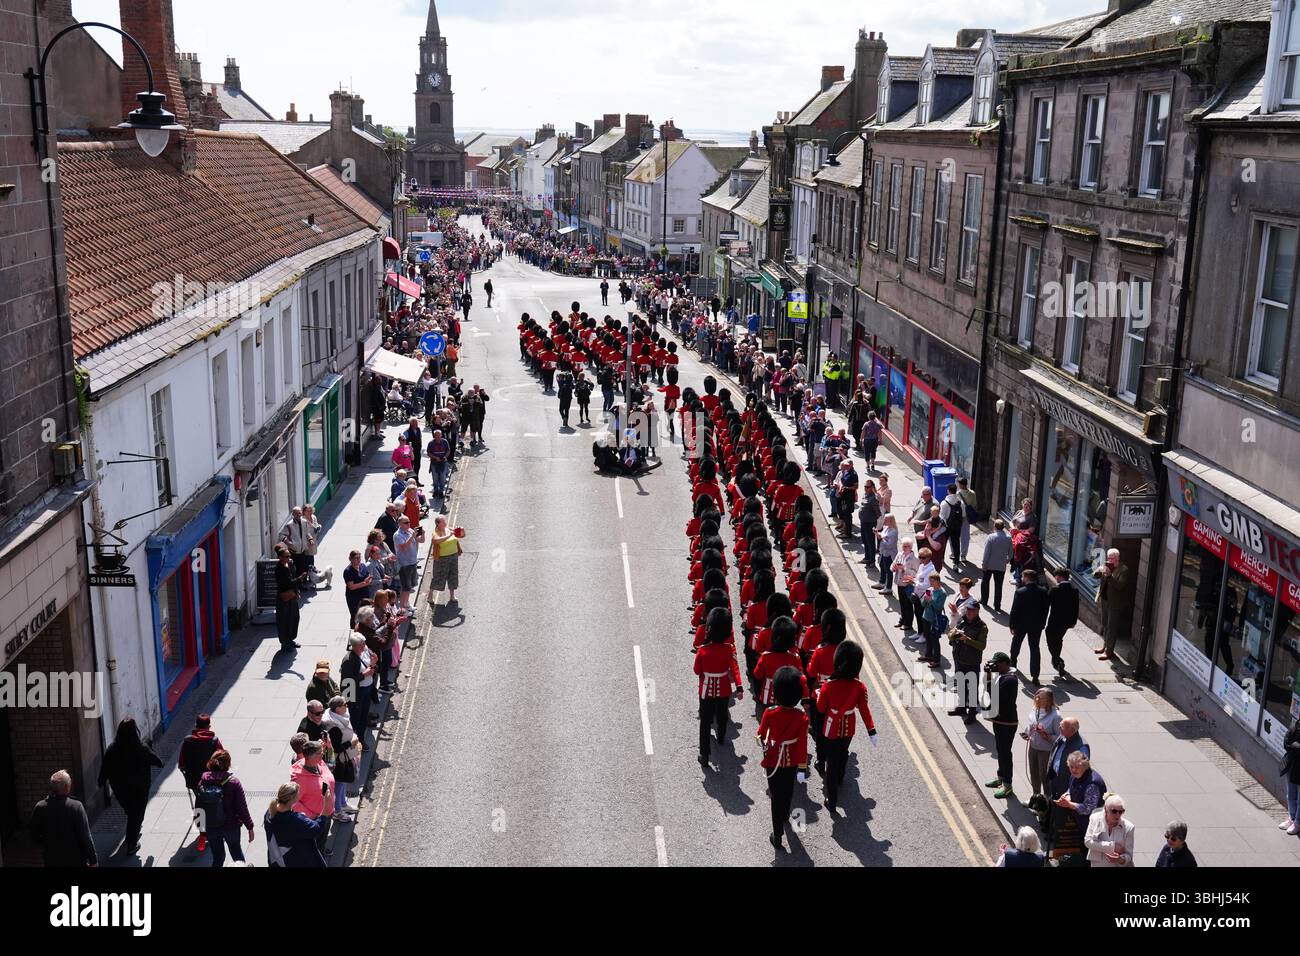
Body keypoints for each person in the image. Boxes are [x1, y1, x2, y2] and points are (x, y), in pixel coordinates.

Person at [814, 641, 877, 813]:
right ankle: (840, 777)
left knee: (831, 764)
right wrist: (871, 730)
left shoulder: (828, 685)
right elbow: (864, 710)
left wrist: (819, 694)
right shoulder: (859, 687)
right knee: (843, 752)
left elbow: (820, 708)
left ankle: (831, 800)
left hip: (831, 728)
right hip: (848, 727)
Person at [756, 666, 810, 851]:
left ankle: (777, 835)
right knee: (787, 792)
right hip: (791, 762)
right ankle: (785, 814)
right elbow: (802, 744)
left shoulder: (770, 712)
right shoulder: (802, 717)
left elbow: (761, 735)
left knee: (775, 797)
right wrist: (802, 767)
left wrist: (765, 746)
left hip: (772, 761)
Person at [97, 716, 163, 856]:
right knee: (137, 815)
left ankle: (132, 832)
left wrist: (101, 781)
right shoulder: (141, 748)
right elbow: (156, 761)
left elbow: (105, 769)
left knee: (131, 811)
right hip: (140, 789)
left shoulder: (112, 749)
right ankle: (131, 844)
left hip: (121, 790)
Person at [694, 607, 743, 768]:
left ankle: (705, 755)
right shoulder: (728, 649)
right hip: (723, 688)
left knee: (705, 723)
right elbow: (734, 668)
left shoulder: (702, 650)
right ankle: (721, 736)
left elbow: (697, 671)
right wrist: (740, 686)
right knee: (722, 716)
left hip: (706, 690)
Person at [196, 750, 255, 867]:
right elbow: (242, 807)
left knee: (217, 858)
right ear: (228, 764)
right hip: (231, 826)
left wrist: (202, 830)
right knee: (237, 854)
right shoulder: (234, 783)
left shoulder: (203, 782)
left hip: (211, 826)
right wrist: (250, 827)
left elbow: (199, 807)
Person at [30, 770, 97, 867]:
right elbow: (85, 836)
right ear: (66, 787)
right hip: (75, 858)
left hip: (51, 857)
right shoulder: (76, 806)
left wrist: (47, 843)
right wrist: (93, 860)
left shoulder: (40, 807)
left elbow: (34, 834)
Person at [264, 782, 325, 868]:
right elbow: (316, 829)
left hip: (276, 859)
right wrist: (325, 812)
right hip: (292, 860)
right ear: (293, 799)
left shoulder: (270, 812)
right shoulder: (294, 820)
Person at [290, 739, 335, 855]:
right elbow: (294, 804)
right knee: (315, 842)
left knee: (323, 836)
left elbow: (331, 764)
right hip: (316, 818)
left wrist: (328, 744)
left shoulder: (318, 763)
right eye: (319, 753)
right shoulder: (299, 779)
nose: (322, 754)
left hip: (327, 811)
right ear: (309, 757)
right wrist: (313, 815)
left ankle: (322, 849)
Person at [946, 601, 987, 724]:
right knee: (962, 686)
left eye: (972, 610)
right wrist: (952, 634)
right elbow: (950, 633)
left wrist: (967, 640)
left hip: (972, 662)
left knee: (972, 689)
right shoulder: (962, 621)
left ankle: (972, 714)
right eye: (968, 610)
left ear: (977, 611)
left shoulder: (982, 627)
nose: (969, 612)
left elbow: (982, 646)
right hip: (959, 659)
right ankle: (962, 708)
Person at [1009, 569, 1050, 685]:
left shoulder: (1020, 592)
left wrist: (1012, 625)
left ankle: (1013, 664)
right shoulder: (1043, 591)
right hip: (1036, 626)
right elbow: (1045, 610)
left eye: (1023, 577)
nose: (1022, 579)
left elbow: (1014, 610)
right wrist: (1042, 623)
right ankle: (1035, 675)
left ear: (1026, 578)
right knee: (1035, 649)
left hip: (1021, 625)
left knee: (1016, 644)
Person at [986, 652, 1018, 799]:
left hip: (1007, 722)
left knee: (1005, 752)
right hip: (999, 720)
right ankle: (1000, 777)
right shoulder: (1001, 676)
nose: (995, 666)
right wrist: (988, 677)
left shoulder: (1010, 680)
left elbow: (995, 696)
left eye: (997, 663)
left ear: (1005, 663)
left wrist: (990, 679)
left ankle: (1007, 785)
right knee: (1000, 749)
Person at [1022, 687, 1062, 801]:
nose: (1038, 699)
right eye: (1036, 696)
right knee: (1034, 773)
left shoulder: (1056, 716)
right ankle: (1035, 798)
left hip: (1046, 750)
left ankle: (1047, 800)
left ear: (1049, 700)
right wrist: (1026, 733)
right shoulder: (1035, 709)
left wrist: (1047, 736)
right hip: (1033, 747)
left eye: (1041, 697)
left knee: (1044, 776)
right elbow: (1030, 724)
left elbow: (1060, 738)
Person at [1096, 548, 1132, 661]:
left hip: (1116, 603)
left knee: (1112, 627)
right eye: (1108, 558)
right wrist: (1099, 571)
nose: (1109, 560)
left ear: (1117, 558)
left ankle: (1109, 651)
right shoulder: (1106, 565)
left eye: (1112, 558)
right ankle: (1105, 646)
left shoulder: (1123, 570)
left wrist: (1110, 575)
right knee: (1105, 624)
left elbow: (1120, 585)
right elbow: (1095, 576)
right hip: (1105, 600)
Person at [1044, 566, 1079, 679]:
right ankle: (1057, 661)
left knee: (1050, 638)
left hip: (1054, 620)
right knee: (1058, 639)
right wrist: (1073, 622)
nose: (1055, 578)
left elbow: (1046, 604)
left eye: (1056, 576)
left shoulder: (1054, 590)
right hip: (1066, 622)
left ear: (1059, 577)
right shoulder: (1074, 590)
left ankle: (1057, 661)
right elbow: (1076, 608)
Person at [1085, 794, 1135, 867]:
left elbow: (1129, 856)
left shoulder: (1129, 827)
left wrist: (1119, 859)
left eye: (1121, 811)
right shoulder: (1095, 819)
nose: (1118, 815)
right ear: (1105, 810)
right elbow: (1088, 841)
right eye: (1114, 811)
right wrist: (1112, 846)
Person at [178, 714, 223, 794]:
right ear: (209, 726)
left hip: (193, 780)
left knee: (199, 797)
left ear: (196, 726)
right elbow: (223, 758)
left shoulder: (187, 740)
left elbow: (181, 763)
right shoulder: (214, 741)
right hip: (211, 779)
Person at [273, 543, 302, 651]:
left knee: (294, 618)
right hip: (284, 598)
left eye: (289, 556)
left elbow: (292, 579)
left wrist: (296, 591)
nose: (289, 558)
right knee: (284, 620)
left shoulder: (289, 565)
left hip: (292, 596)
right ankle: (285, 643)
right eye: (286, 556)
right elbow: (288, 583)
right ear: (279, 557)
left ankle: (291, 640)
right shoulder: (279, 569)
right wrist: (301, 578)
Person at [393, 515, 425, 611]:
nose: (409, 524)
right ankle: (403, 609)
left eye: (409, 522)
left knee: (410, 586)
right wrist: (412, 536)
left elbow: (422, 541)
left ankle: (407, 604)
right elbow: (404, 547)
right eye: (406, 523)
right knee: (405, 588)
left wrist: (422, 534)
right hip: (404, 564)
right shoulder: (397, 535)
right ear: (400, 524)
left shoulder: (410, 531)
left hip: (413, 562)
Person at [979, 519, 1011, 612]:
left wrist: (984, 564)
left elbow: (986, 553)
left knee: (985, 582)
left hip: (989, 565)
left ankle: (984, 600)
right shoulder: (1008, 538)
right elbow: (1011, 553)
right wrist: (1006, 561)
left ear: (995, 527)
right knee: (998, 586)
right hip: (1001, 566)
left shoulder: (990, 537)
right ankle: (997, 605)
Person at [429, 515, 462, 607]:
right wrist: (448, 536)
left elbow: (461, 535)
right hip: (442, 558)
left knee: (453, 575)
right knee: (438, 576)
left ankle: (452, 596)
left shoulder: (449, 529)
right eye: (443, 522)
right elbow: (435, 540)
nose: (445, 523)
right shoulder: (436, 532)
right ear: (438, 524)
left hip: (454, 556)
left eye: (445, 521)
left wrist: (461, 531)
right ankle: (430, 596)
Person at [938, 483, 966, 568]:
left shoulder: (944, 503)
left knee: (943, 542)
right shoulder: (960, 502)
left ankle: (941, 558)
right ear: (956, 491)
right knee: (956, 544)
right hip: (957, 526)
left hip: (947, 527)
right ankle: (956, 563)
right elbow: (963, 515)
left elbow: (942, 517)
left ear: (948, 491)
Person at [342, 549, 372, 627]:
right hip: (354, 598)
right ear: (350, 559)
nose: (358, 560)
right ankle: (353, 632)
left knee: (366, 614)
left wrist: (368, 580)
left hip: (365, 595)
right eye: (356, 558)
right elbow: (351, 587)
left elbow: (368, 576)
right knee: (355, 615)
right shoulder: (348, 571)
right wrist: (364, 583)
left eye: (359, 557)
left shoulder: (362, 566)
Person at [1281, 716, 1300, 834]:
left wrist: (1295, 747)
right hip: (1292, 767)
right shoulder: (1295, 728)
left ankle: (1297, 823)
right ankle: (1291, 818)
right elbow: (1286, 743)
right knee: (1291, 795)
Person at [428, 428, 452, 500]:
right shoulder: (431, 443)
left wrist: (445, 457)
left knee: (442, 477)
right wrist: (435, 457)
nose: (438, 437)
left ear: (441, 435)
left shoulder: (445, 442)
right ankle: (435, 491)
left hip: (443, 462)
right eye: (436, 436)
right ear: (434, 436)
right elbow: (429, 453)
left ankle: (441, 491)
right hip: (434, 463)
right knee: (435, 478)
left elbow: (448, 450)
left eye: (439, 436)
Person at [557, 363, 575, 428]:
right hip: (569, 397)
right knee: (567, 410)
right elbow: (573, 387)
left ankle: (563, 417)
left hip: (562, 397)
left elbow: (558, 379)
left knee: (561, 409)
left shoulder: (561, 382)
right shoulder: (570, 383)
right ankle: (566, 422)